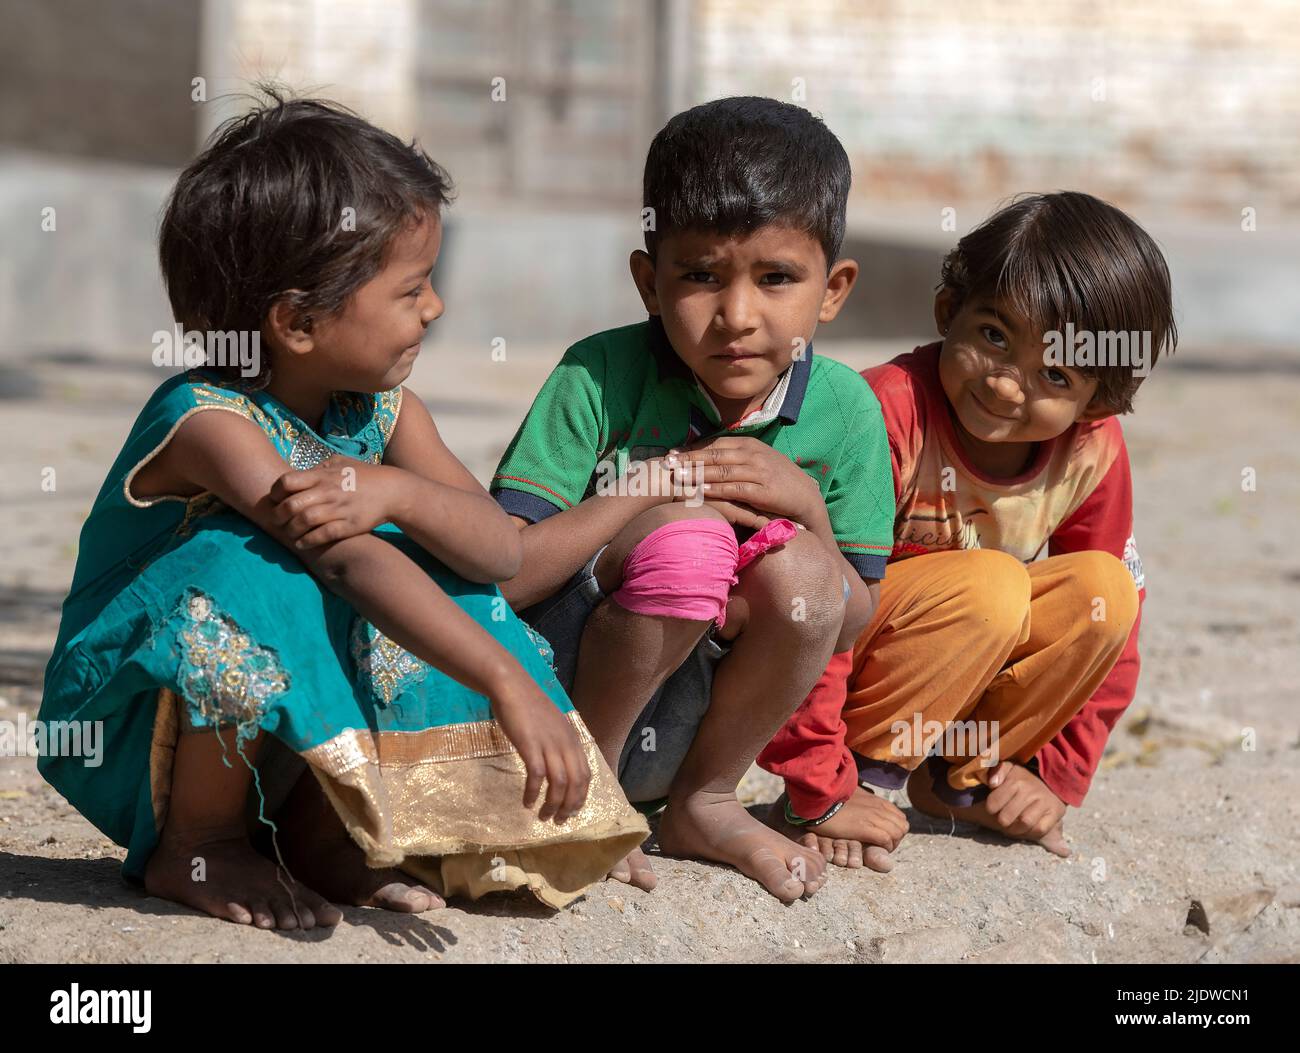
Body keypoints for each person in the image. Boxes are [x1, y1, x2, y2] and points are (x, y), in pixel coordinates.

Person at [37, 90, 647, 930]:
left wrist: (397, 492)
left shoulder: (384, 414)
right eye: (412, 289)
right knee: (261, 565)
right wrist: (502, 679)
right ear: (296, 322)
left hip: (269, 724)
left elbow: (500, 552)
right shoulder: (209, 422)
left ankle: (322, 842)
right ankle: (200, 841)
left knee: (440, 577)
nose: (434, 308)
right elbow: (343, 558)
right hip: (130, 712)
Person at [491, 97, 901, 902]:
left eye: (777, 279)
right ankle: (590, 794)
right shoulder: (597, 374)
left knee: (804, 571)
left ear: (833, 290)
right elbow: (505, 577)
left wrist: (808, 510)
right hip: (552, 720)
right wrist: (649, 489)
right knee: (689, 540)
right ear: (649, 282)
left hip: (693, 727)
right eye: (701, 276)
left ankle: (704, 802)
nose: (737, 317)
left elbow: (849, 618)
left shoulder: (847, 409)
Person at [765, 191, 1171, 859]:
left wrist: (1056, 775)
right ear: (948, 310)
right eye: (993, 337)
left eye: (1054, 373)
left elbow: (1116, 638)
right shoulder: (885, 412)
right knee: (994, 587)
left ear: (1096, 402)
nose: (1007, 385)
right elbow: (808, 600)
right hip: (830, 663)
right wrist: (820, 785)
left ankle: (959, 777)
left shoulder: (1091, 451)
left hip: (955, 664)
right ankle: (863, 775)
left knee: (1106, 593)